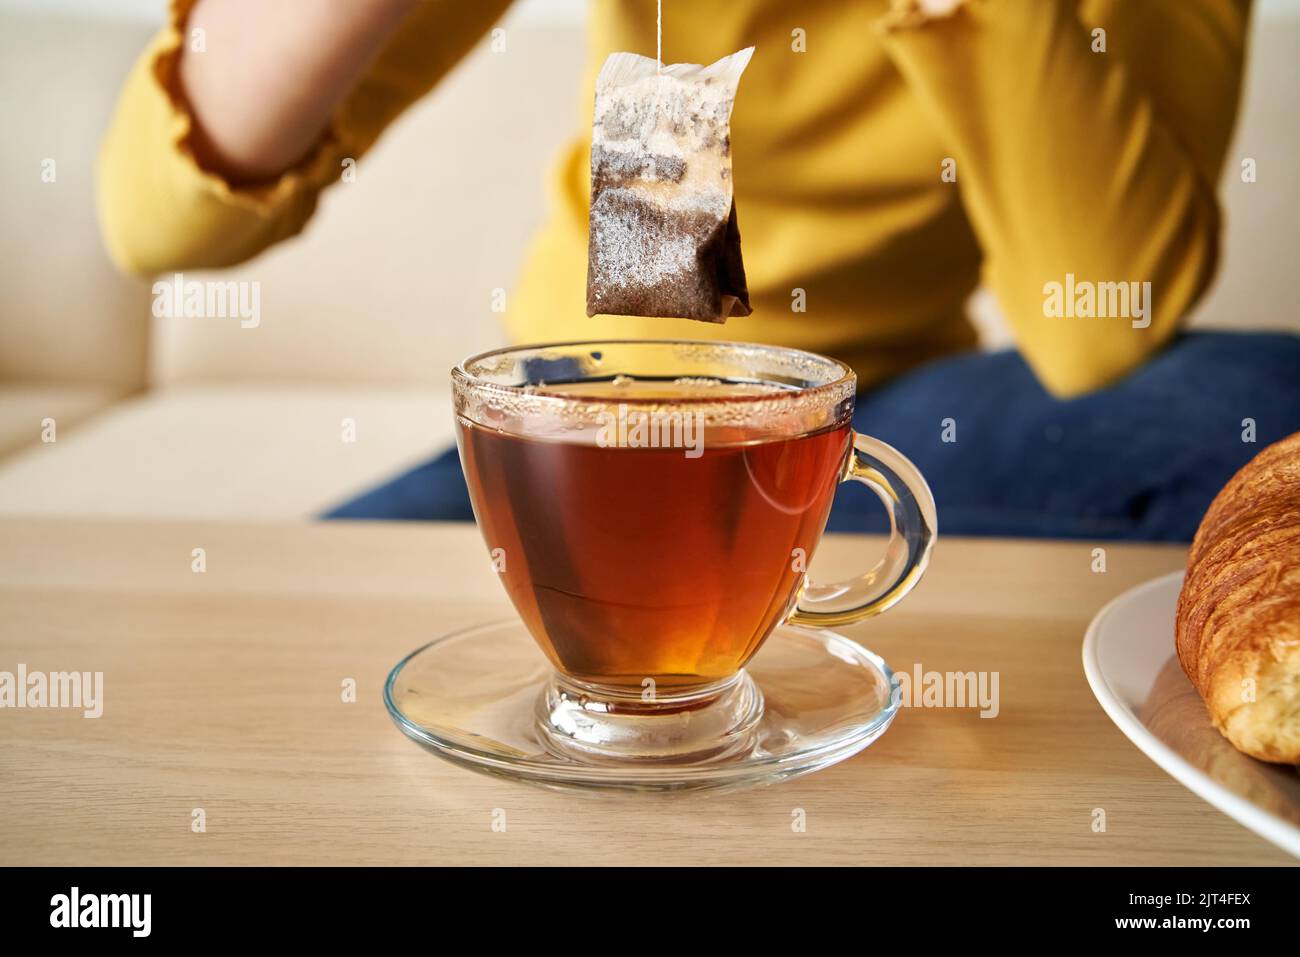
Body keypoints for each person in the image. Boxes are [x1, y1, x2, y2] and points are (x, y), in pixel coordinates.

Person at [97, 0, 1298, 540]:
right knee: (273, 669)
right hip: (588, 403)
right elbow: (160, 228)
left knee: (1255, 410)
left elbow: (1098, 331)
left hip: (880, 406)